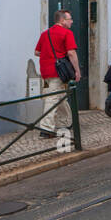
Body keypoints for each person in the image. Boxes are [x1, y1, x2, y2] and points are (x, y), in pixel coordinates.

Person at [34, 9, 80, 137]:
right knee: (52, 99)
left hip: (45, 72)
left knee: (59, 96)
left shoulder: (45, 34)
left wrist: (49, 54)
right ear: (62, 20)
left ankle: (65, 121)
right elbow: (71, 53)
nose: (71, 21)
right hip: (58, 72)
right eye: (69, 19)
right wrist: (77, 71)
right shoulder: (67, 33)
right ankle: (46, 129)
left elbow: (37, 52)